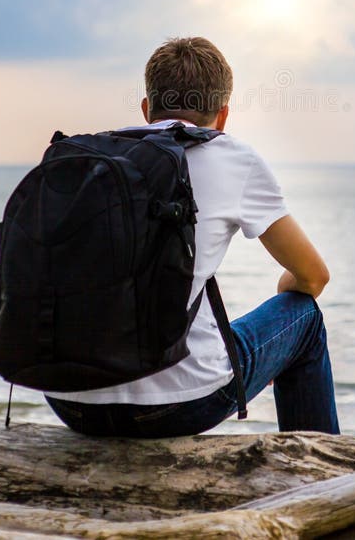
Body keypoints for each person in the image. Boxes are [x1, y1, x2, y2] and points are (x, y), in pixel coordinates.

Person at [45, 37, 339, 437]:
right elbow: (313, 277)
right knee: (302, 317)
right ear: (223, 114)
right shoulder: (235, 159)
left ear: (146, 109)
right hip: (175, 407)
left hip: (70, 400)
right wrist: (285, 314)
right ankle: (317, 474)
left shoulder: (90, 158)